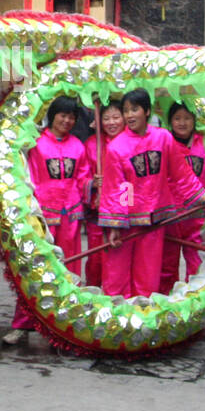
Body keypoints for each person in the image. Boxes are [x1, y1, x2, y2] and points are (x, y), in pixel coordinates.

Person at [99, 89, 205, 299]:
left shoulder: (163, 138)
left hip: (155, 221)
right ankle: (119, 321)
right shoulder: (117, 147)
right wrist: (116, 223)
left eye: (135, 109)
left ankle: (143, 318)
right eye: (126, 111)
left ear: (147, 111)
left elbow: (180, 173)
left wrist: (203, 196)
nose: (130, 115)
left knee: (147, 276)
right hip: (127, 223)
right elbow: (119, 187)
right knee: (117, 277)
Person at [4, 97, 92, 345]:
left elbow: (82, 177)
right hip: (41, 216)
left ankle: (63, 327)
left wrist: (91, 185)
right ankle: (22, 324)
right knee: (34, 269)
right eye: (62, 115)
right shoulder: (36, 144)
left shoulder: (78, 146)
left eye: (71, 117)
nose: (67, 120)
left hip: (70, 216)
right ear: (52, 115)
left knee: (67, 270)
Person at [160, 102, 205, 293]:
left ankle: (194, 300)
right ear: (170, 121)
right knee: (167, 263)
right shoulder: (164, 143)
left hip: (196, 213)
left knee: (196, 261)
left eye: (187, 118)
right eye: (177, 118)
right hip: (171, 214)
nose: (182, 123)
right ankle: (167, 301)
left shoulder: (204, 143)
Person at [82, 100, 125, 289]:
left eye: (116, 117)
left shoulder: (129, 142)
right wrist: (92, 184)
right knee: (96, 258)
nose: (111, 122)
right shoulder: (92, 144)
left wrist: (125, 206)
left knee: (118, 260)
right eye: (106, 118)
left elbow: (130, 183)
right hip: (97, 212)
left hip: (123, 213)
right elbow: (81, 175)